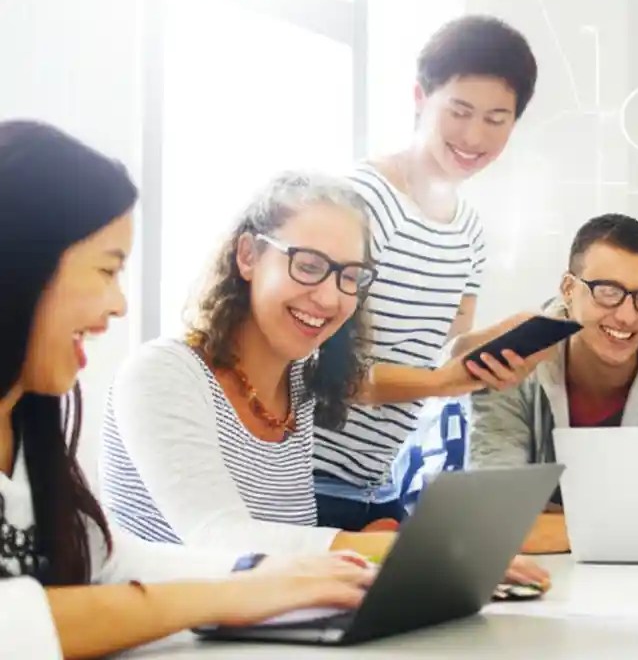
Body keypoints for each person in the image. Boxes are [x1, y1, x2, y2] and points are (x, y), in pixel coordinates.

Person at [0, 120, 375, 659]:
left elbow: (107, 560)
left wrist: (276, 577)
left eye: (349, 277)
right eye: (106, 270)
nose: (119, 305)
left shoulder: (31, 424)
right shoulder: (162, 371)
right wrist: (236, 592)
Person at [100, 172, 546, 587]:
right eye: (309, 266)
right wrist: (407, 550)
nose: (331, 298)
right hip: (168, 634)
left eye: (350, 276)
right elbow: (218, 538)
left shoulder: (300, 383)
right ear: (248, 256)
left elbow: (366, 382)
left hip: (266, 625)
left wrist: (456, 375)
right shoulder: (161, 373)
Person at [314, 15, 546, 530]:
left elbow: (441, 352)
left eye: (496, 119)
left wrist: (508, 342)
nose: (474, 135)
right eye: (459, 111)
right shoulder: (359, 202)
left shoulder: (469, 232)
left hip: (378, 487)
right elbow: (324, 373)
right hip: (304, 481)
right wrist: (443, 382)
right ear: (420, 97)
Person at [468, 214, 638, 554]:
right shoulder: (513, 359)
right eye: (608, 292)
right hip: (548, 577)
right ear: (568, 289)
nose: (627, 316)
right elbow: (496, 521)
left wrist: (551, 524)